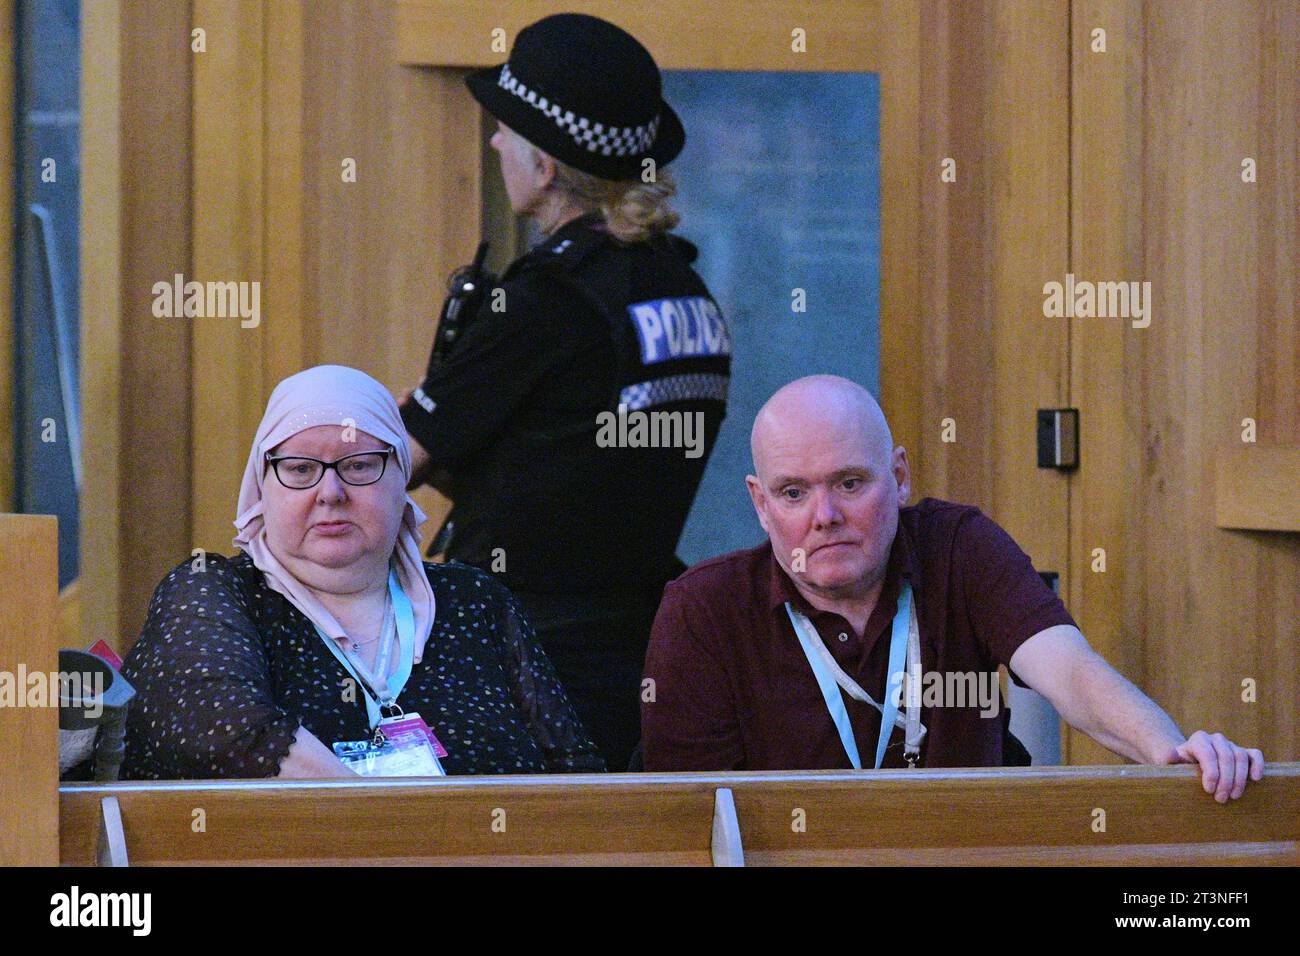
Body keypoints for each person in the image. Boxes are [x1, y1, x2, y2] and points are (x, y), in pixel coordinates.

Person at [641, 375, 1265, 802]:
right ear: (760, 504)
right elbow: (690, 822)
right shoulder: (702, 612)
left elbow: (1070, 671)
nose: (824, 515)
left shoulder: (959, 548)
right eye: (794, 492)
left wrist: (1170, 750)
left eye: (851, 483)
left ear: (900, 477)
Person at [400, 13, 731, 772]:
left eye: (505, 130)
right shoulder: (687, 293)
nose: (494, 144)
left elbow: (395, 457)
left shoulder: (550, 299)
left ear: (545, 166)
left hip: (517, 665)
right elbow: (572, 461)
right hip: (639, 654)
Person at [120, 365, 603, 779]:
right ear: (263, 485)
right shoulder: (215, 591)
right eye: (300, 469)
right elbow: (225, 733)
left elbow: (576, 773)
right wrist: (395, 830)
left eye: (359, 465)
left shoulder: (475, 600)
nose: (330, 493)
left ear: (401, 477)